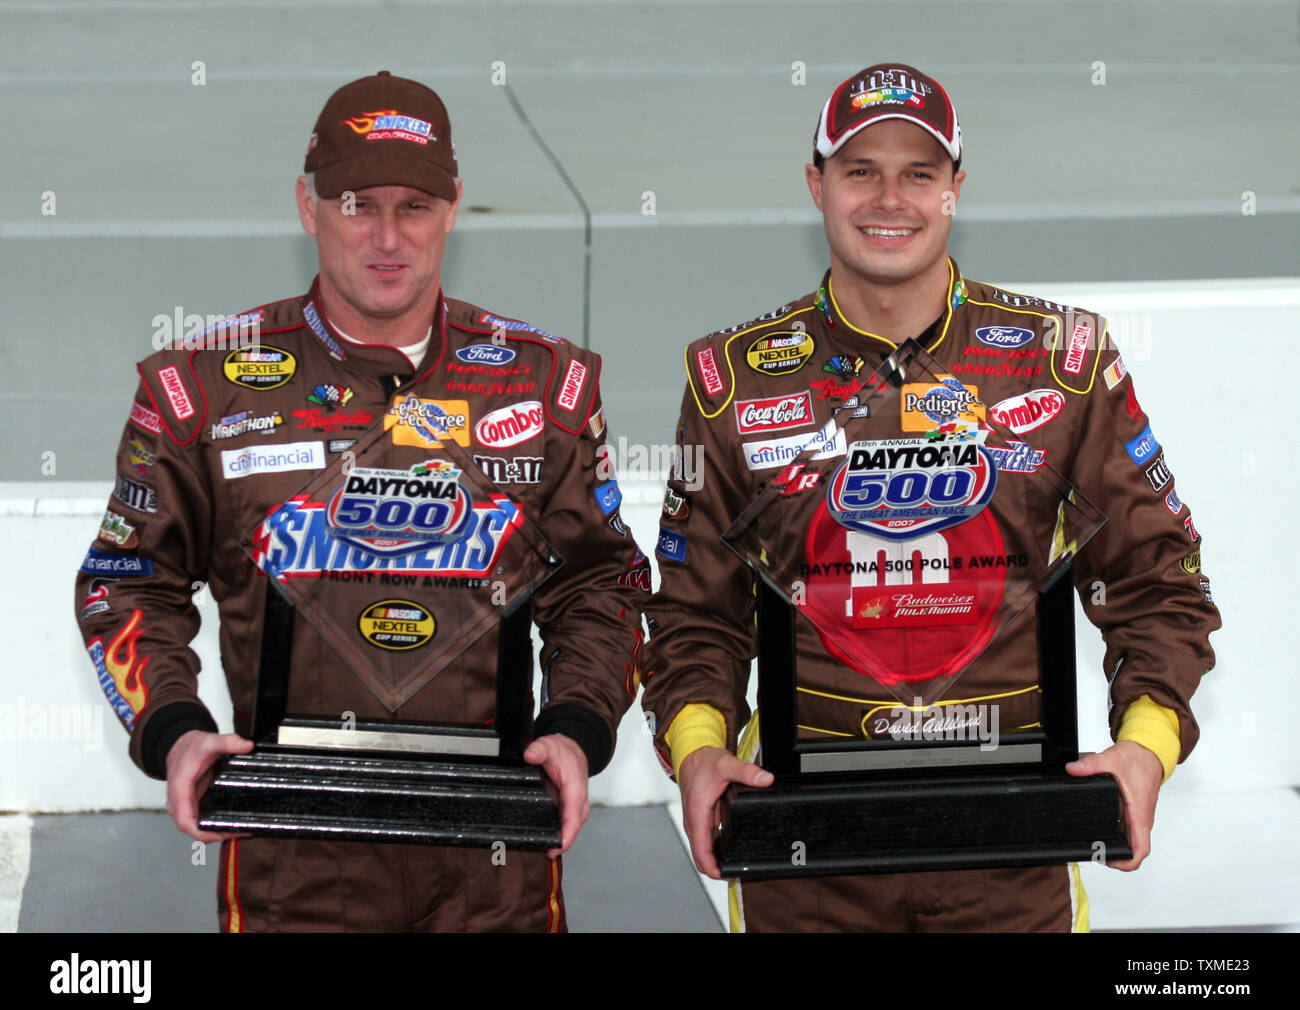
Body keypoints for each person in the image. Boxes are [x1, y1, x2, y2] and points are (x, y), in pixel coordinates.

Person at [641, 62, 1220, 932]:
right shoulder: (731, 378)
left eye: (919, 173)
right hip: (805, 853)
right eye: (859, 170)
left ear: (956, 189)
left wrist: (1143, 750)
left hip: (1012, 844)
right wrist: (697, 753)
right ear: (817, 184)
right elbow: (695, 615)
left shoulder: (1059, 361)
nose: (890, 199)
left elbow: (1160, 583)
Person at [74, 71, 647, 932]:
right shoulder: (199, 387)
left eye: (414, 206)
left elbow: (601, 586)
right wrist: (176, 727)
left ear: (453, 210)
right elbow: (125, 581)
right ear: (307, 206)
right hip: (291, 853)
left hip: (493, 853)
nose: (387, 236)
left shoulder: (545, 386)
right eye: (355, 203)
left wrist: (574, 728)